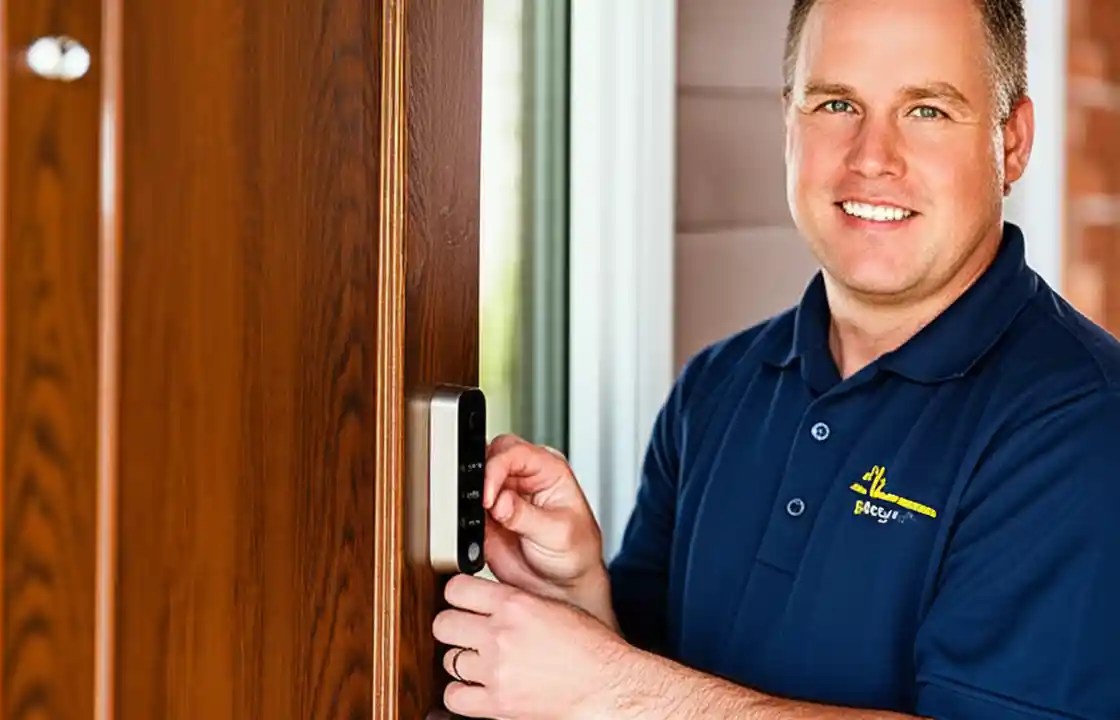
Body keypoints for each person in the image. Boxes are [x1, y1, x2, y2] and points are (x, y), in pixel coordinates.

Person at [431, 0, 1120, 718]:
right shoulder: (715, 391)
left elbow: (634, 698)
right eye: (835, 102)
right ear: (788, 121)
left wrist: (606, 684)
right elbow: (656, 695)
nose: (872, 156)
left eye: (927, 111)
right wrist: (578, 597)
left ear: (1012, 143)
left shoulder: (1083, 426)